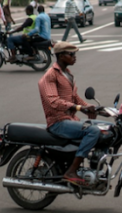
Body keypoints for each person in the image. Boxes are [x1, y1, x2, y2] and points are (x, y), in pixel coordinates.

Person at [38, 42, 98, 187]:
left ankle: (96, 166)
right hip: (58, 122)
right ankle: (71, 171)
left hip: (70, 119)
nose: (74, 57)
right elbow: (53, 101)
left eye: (74, 54)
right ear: (60, 56)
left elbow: (74, 97)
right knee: (93, 131)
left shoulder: (68, 74)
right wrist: (78, 107)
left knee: (106, 128)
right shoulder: (50, 75)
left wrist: (91, 107)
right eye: (71, 54)